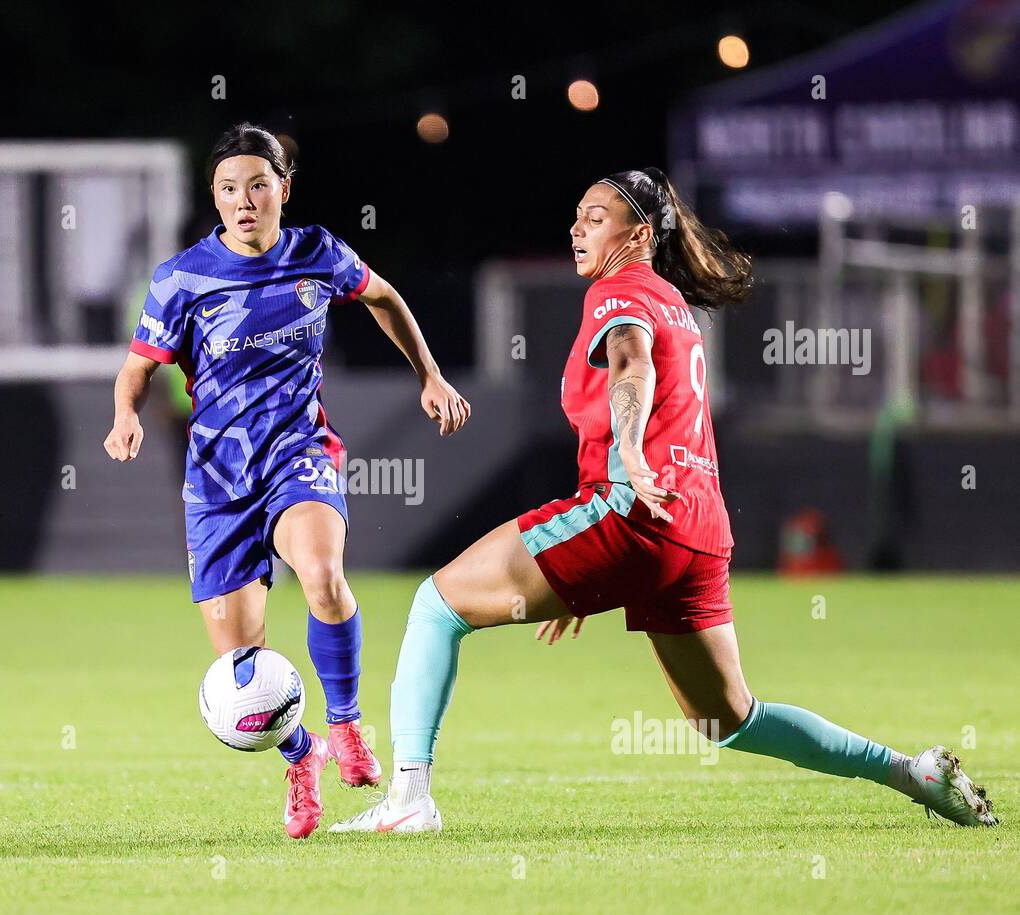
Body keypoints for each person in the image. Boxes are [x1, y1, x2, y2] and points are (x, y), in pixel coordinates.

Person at [332, 167, 997, 833]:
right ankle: (913, 773)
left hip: (635, 510)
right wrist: (583, 577)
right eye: (577, 214)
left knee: (436, 606)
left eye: (595, 216)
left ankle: (409, 799)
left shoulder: (620, 293)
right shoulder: (671, 301)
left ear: (639, 234)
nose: (576, 227)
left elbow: (631, 365)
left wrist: (629, 456)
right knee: (731, 718)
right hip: (696, 527)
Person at [104, 124, 470, 838]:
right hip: (216, 480)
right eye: (228, 189)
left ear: (284, 189)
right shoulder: (182, 277)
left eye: (257, 186)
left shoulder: (317, 253)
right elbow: (138, 367)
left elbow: (386, 297)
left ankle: (348, 722)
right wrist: (125, 416)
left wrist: (429, 376)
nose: (243, 202)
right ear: (214, 198)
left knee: (323, 573)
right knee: (243, 672)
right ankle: (304, 756)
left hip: (299, 454)